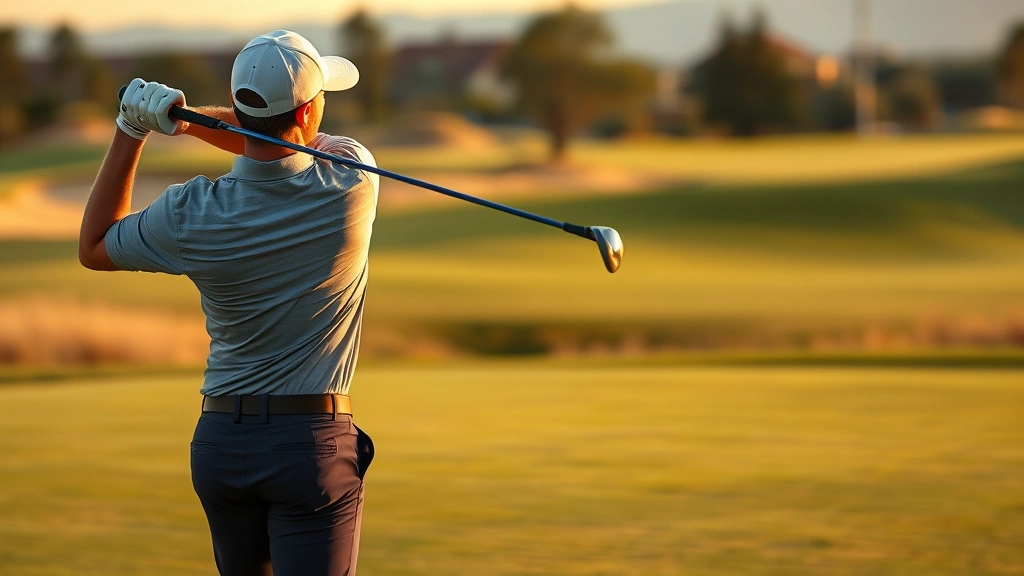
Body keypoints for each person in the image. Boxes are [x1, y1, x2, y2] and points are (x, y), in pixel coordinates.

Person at [78, 30, 378, 576]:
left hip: (220, 444)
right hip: (310, 443)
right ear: (310, 111)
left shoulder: (189, 212)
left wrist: (133, 128)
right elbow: (283, 142)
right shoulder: (351, 177)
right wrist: (193, 121)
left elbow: (96, 246)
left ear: (239, 100)